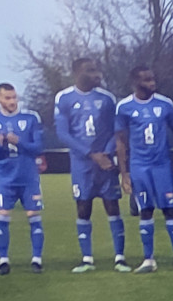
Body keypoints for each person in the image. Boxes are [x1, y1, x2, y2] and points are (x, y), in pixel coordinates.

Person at [115, 66, 173, 273]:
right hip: (139, 166)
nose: (152, 83)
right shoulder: (124, 107)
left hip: (162, 165)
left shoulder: (165, 104)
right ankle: (148, 260)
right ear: (135, 82)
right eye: (147, 80)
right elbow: (120, 141)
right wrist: (124, 173)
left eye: (153, 79)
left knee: (169, 209)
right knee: (145, 210)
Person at [54, 57, 127, 273]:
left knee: (112, 205)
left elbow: (117, 130)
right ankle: (87, 259)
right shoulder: (64, 97)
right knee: (83, 207)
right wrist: (90, 154)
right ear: (78, 73)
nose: (97, 74)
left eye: (98, 70)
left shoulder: (107, 98)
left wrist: (106, 152)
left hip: (105, 162)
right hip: (82, 164)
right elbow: (62, 133)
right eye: (91, 71)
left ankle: (120, 258)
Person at [0, 82, 45, 275]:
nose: (12, 101)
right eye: (7, 98)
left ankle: (36, 260)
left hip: (28, 178)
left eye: (14, 97)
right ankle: (3, 261)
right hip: (4, 178)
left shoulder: (31, 117)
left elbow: (38, 148)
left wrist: (20, 142)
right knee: (2, 217)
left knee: (34, 217)